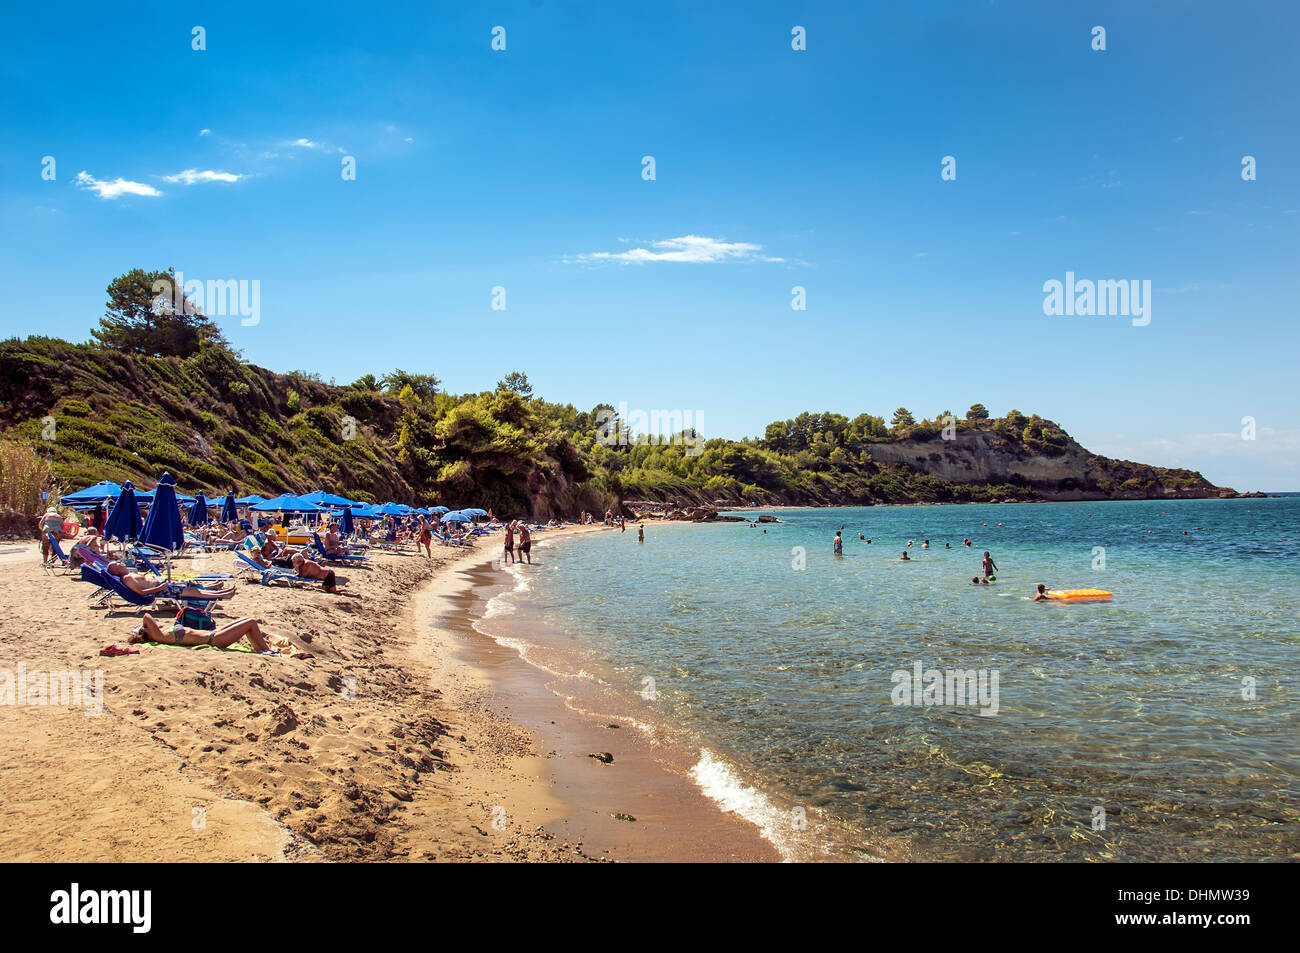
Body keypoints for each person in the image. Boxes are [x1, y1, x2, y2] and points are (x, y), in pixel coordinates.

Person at [128, 612, 276, 652]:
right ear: (145, 631)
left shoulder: (161, 634)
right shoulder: (158, 635)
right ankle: (265, 650)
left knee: (247, 619)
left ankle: (262, 648)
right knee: (251, 623)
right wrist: (140, 630)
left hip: (214, 634)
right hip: (214, 639)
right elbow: (146, 616)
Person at [104, 561, 236, 599]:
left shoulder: (129, 575)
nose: (121, 563)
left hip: (163, 584)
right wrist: (159, 588)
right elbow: (141, 593)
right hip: (162, 590)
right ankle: (224, 595)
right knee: (196, 593)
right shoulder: (127, 579)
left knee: (194, 589)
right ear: (116, 571)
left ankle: (222, 593)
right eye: (118, 565)